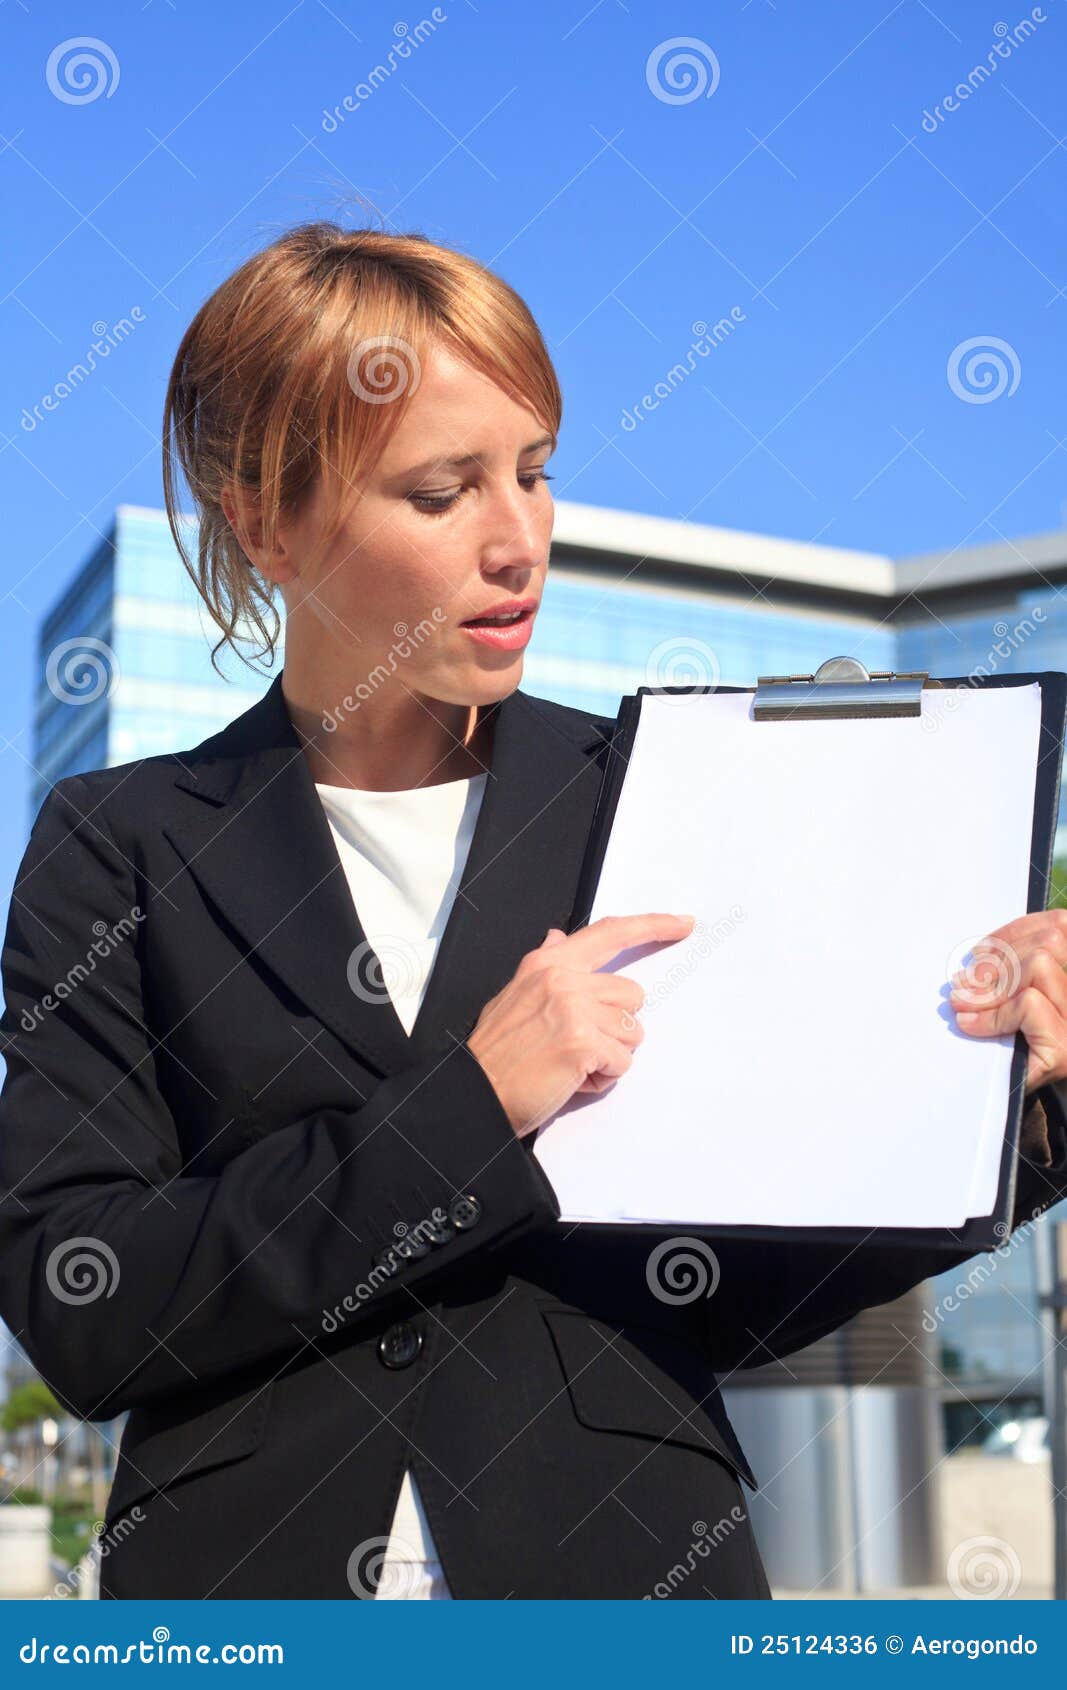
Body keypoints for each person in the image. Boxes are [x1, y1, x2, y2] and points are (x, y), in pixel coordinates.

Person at [2, 222, 1067, 1600]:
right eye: (443, 492)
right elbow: (85, 1305)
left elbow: (728, 1297)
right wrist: (469, 1105)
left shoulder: (660, 793)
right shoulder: (118, 844)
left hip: (621, 1575)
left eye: (536, 470)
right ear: (266, 521)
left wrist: (1026, 1104)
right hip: (246, 1594)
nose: (519, 541)